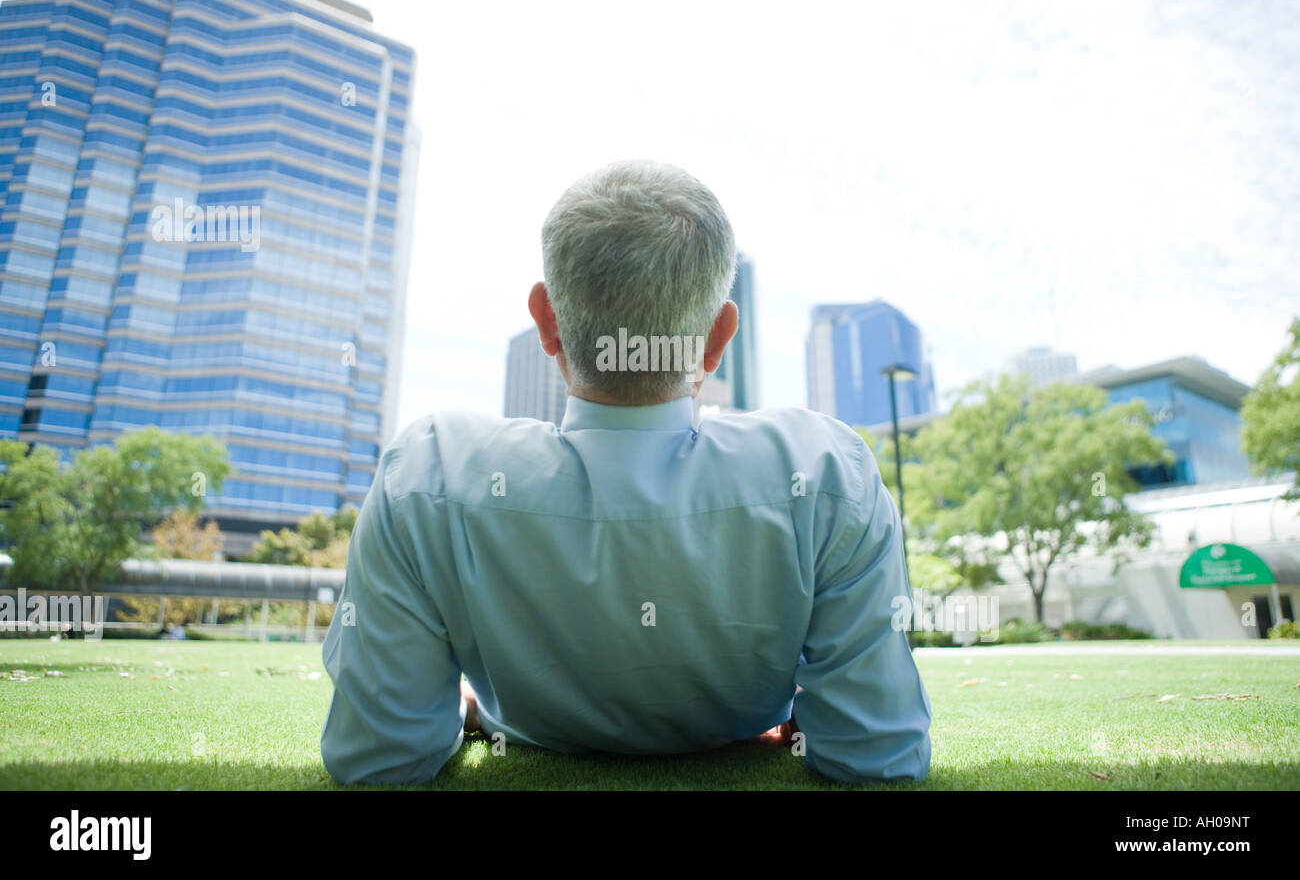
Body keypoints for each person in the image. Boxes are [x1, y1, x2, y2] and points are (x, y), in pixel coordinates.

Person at [320, 160, 932, 785]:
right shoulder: (827, 471)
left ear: (546, 320)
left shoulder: (426, 474)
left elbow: (377, 762)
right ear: (719, 336)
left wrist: (457, 712)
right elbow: (874, 759)